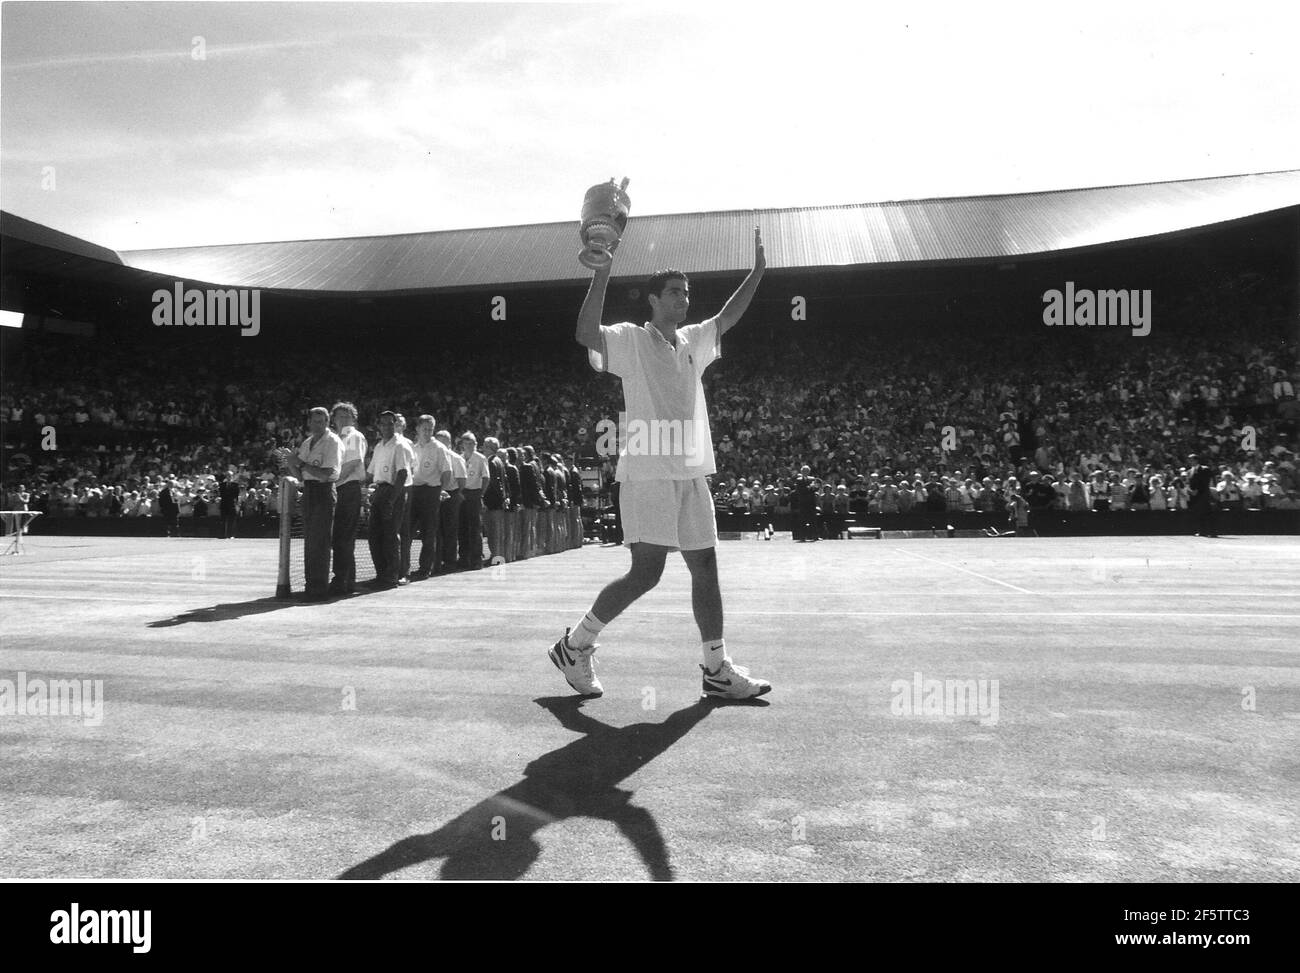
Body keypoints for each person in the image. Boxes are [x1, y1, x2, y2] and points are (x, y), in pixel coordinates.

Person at [549, 227, 772, 700]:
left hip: (692, 470)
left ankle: (716, 667)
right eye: (674, 292)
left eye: (687, 293)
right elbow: (584, 332)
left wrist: (757, 273)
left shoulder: (694, 339)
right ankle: (577, 644)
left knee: (705, 565)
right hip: (647, 471)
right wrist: (603, 272)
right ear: (652, 299)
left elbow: (728, 315)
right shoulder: (630, 339)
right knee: (646, 573)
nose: (683, 299)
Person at [282, 406, 342, 600]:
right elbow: (300, 475)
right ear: (309, 422)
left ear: (327, 422)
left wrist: (298, 463)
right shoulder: (308, 442)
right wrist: (290, 461)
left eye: (321, 421)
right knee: (310, 541)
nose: (317, 425)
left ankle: (319, 589)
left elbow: (327, 474)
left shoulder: (332, 441)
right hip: (308, 490)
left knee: (320, 542)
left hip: (323, 491)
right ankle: (311, 586)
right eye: (314, 421)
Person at [366, 411, 413, 588]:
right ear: (379, 426)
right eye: (383, 423)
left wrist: (392, 500)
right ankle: (381, 574)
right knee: (375, 536)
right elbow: (371, 473)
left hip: (394, 491)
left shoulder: (399, 445)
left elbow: (402, 473)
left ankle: (391, 576)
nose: (387, 427)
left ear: (395, 425)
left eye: (390, 423)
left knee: (391, 536)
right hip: (379, 489)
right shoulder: (379, 446)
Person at [330, 402, 368, 595]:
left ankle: (342, 580)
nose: (343, 420)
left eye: (347, 416)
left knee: (343, 537)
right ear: (333, 419)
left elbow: (353, 462)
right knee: (339, 538)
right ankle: (345, 580)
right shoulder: (336, 438)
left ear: (354, 419)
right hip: (340, 488)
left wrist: (332, 483)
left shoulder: (353, 436)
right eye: (339, 416)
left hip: (347, 489)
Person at [410, 415, 453, 580]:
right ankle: (404, 568)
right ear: (418, 429)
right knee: (408, 530)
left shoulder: (439, 448)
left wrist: (439, 491)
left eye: (430, 429)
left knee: (429, 533)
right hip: (414, 490)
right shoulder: (413, 447)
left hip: (431, 491)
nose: (427, 432)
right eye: (424, 428)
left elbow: (447, 473)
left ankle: (425, 568)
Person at [436, 429, 467, 571]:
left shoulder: (456, 458)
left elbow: (461, 482)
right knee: (436, 530)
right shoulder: (435, 455)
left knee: (450, 530)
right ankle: (436, 561)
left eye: (443, 441)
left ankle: (450, 562)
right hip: (435, 493)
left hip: (451, 495)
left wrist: (454, 495)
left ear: (449, 442)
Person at [458, 432, 490, 569]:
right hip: (462, 493)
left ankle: (476, 559)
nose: (470, 446)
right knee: (462, 527)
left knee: (475, 528)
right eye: (467, 443)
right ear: (462, 445)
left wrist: (480, 494)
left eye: (472, 443)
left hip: (474, 493)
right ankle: (464, 558)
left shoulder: (480, 458)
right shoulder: (459, 458)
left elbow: (486, 478)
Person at [482, 437, 507, 564]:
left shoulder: (491, 462)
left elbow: (493, 483)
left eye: (484, 446)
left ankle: (496, 557)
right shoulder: (499, 461)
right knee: (497, 531)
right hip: (498, 502)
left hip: (492, 502)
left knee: (493, 532)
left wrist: (486, 499)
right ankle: (498, 556)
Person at [1187, 453, 1217, 537]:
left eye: (1191, 460)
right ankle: (1202, 531)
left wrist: (1197, 490)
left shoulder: (1205, 469)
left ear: (1196, 460)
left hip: (1203, 495)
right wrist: (1191, 491)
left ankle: (1212, 532)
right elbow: (1188, 483)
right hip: (1194, 496)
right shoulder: (1189, 471)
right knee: (1198, 514)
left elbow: (1205, 482)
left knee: (1207, 513)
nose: (1190, 462)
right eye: (1189, 460)